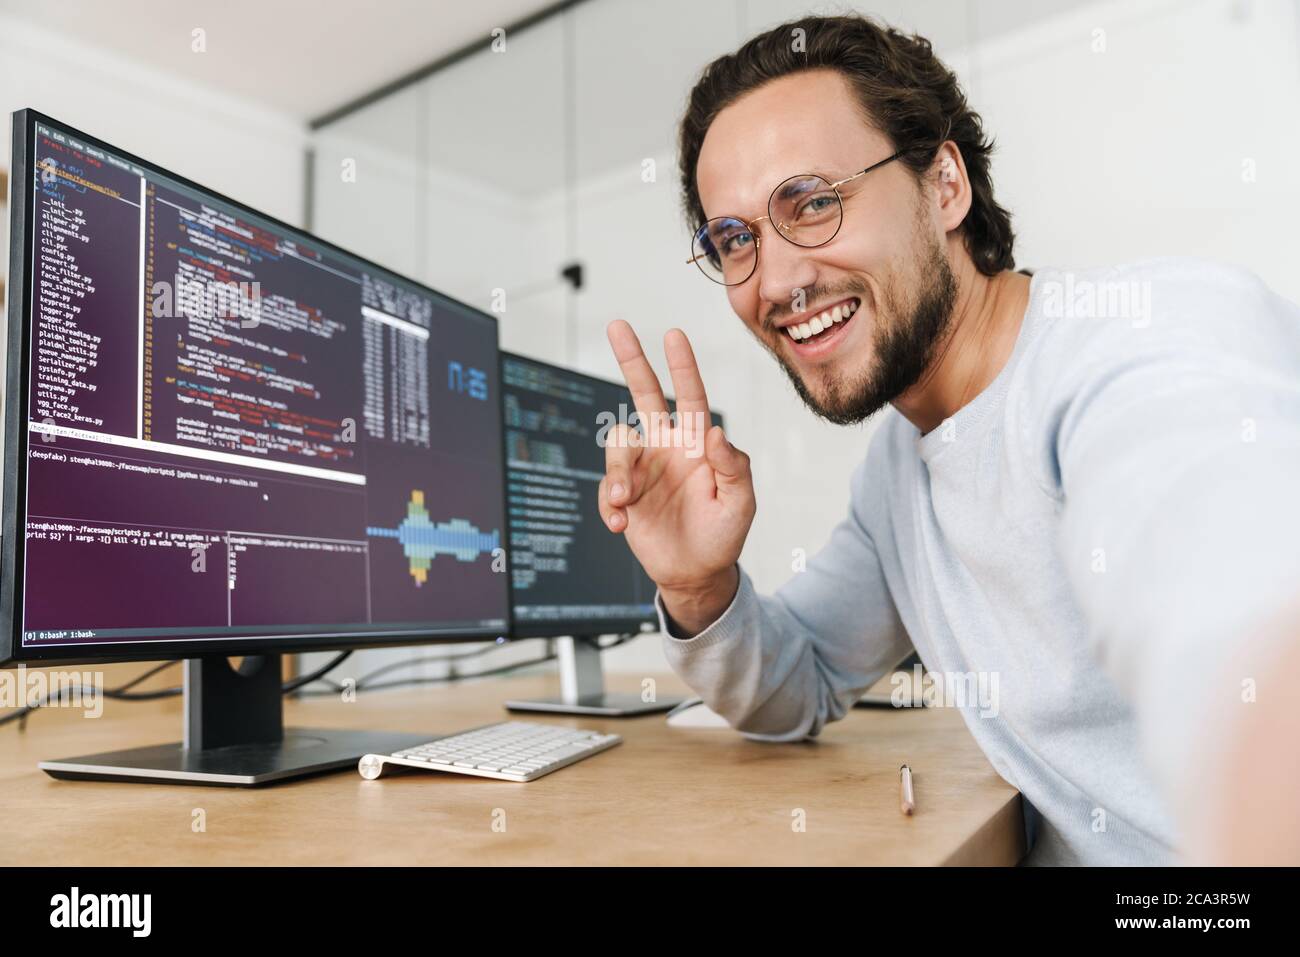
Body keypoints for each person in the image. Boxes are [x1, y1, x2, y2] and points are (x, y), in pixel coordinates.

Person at [597, 14, 1300, 865]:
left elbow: (1243, 631)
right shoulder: (900, 469)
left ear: (944, 187)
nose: (777, 281)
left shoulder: (1144, 341)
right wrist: (702, 586)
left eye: (814, 201)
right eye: (735, 239)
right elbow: (801, 682)